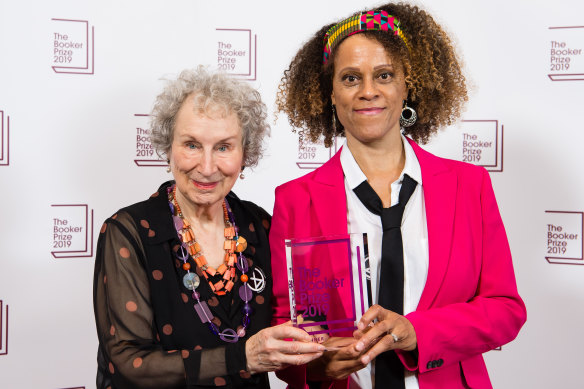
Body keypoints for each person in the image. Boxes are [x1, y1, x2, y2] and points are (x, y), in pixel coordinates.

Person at [270, 3, 526, 388]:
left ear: (409, 85)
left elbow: (505, 310)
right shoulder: (295, 200)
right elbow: (282, 334)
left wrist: (416, 331)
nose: (368, 91)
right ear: (331, 95)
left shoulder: (468, 185)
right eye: (351, 78)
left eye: (384, 75)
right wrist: (315, 365)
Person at [93, 67, 324, 389]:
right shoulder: (129, 232)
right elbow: (130, 363)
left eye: (224, 147)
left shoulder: (259, 225)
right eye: (191, 145)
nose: (206, 167)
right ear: (168, 147)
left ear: (245, 154)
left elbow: (287, 319)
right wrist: (242, 357)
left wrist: (318, 337)